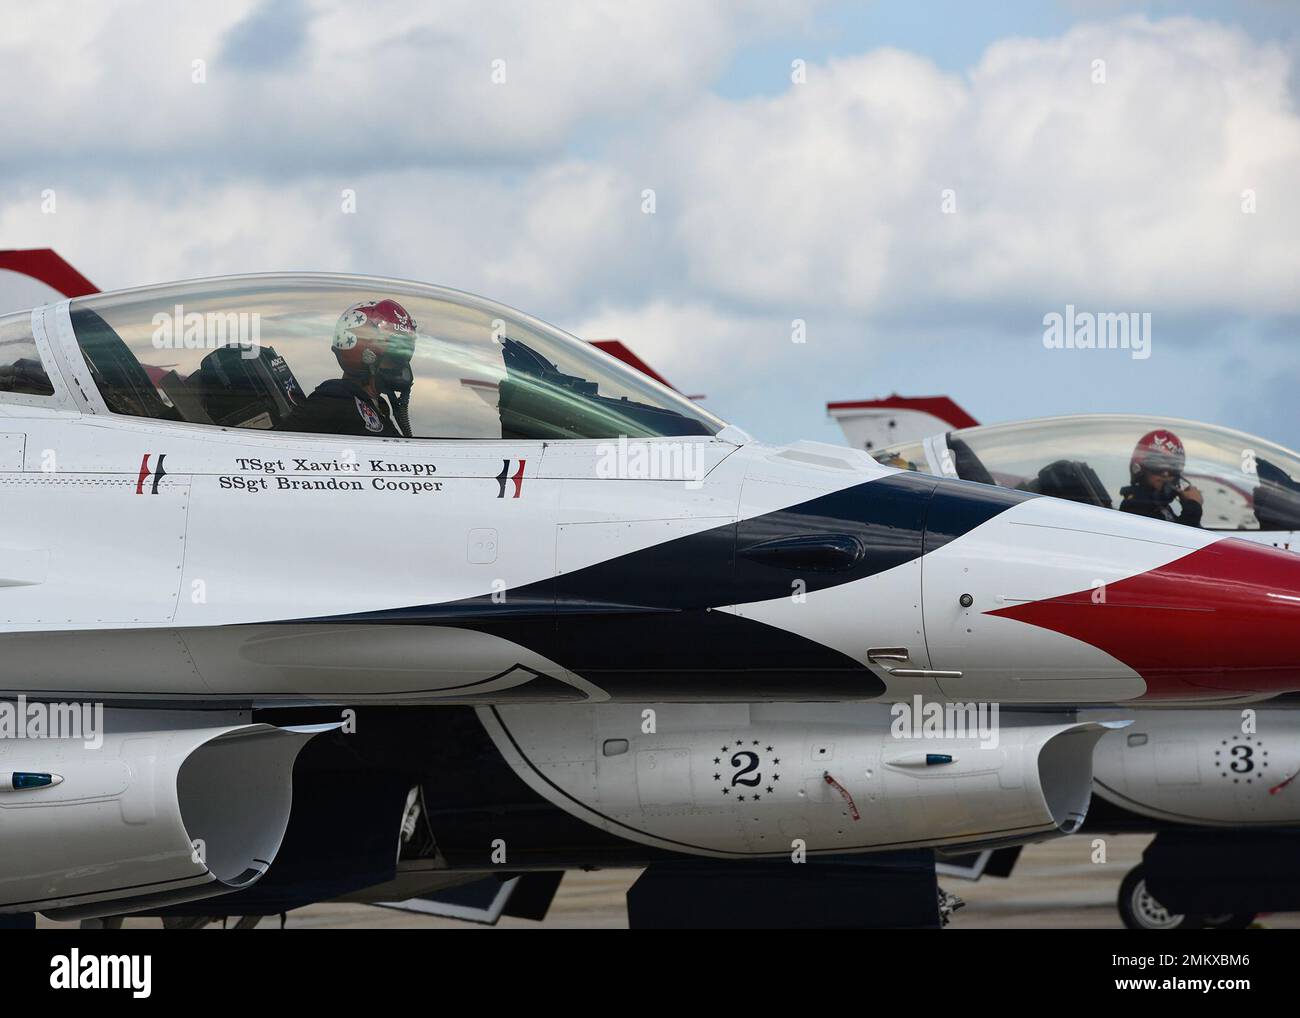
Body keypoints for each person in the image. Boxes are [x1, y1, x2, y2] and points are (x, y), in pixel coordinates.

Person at [281, 299, 416, 437]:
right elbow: (282, 446)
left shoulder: (377, 406)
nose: (400, 368)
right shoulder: (335, 398)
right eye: (394, 359)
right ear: (367, 355)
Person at [1118, 429, 1203, 527]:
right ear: (1140, 468)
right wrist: (1193, 508)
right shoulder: (1135, 506)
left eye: (1173, 467)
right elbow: (1174, 540)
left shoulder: (1160, 507)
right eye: (1158, 465)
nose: (1166, 473)